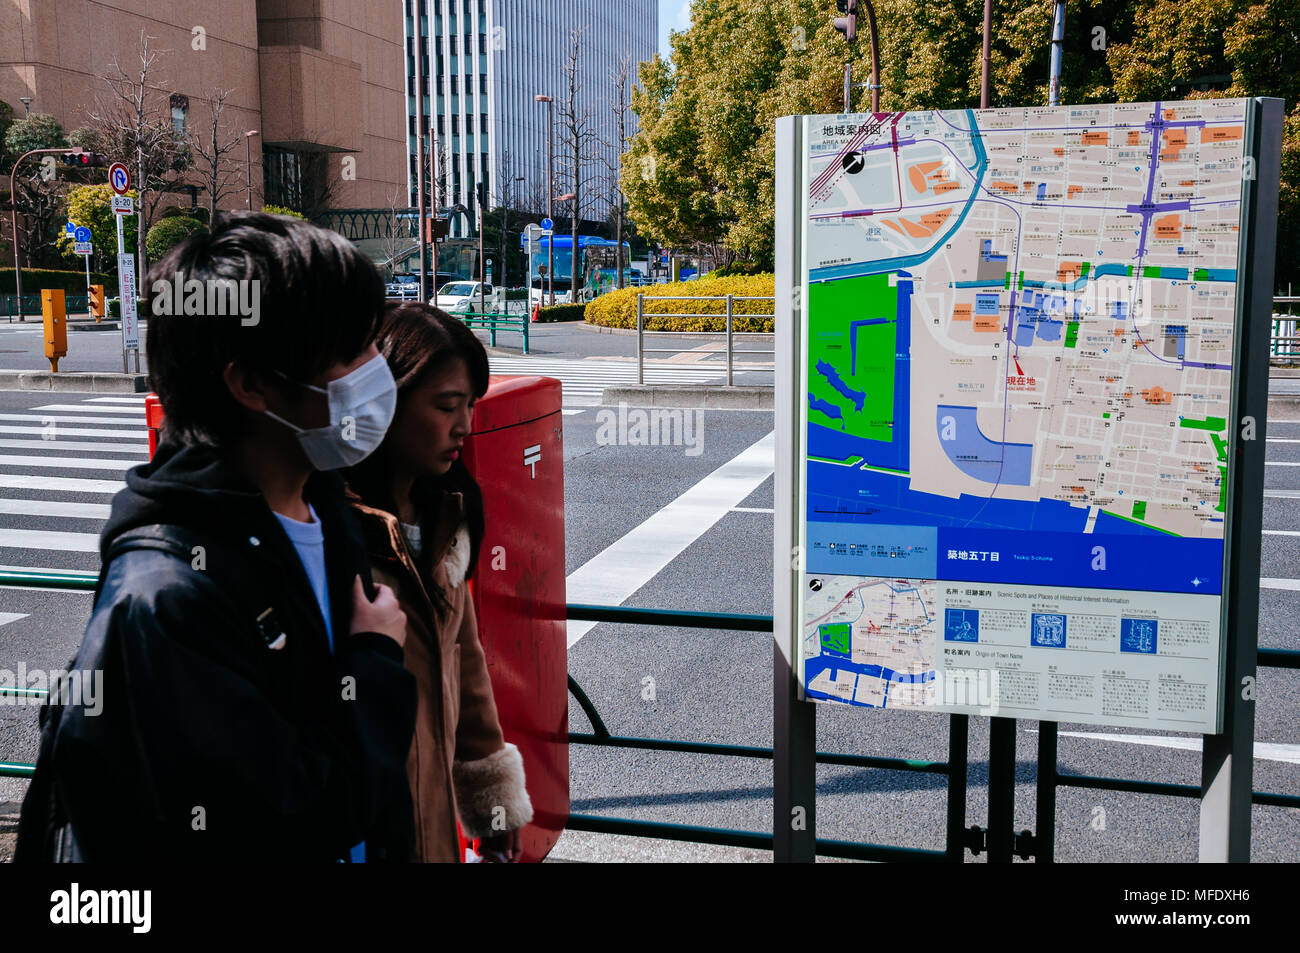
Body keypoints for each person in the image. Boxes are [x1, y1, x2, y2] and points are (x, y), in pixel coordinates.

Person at [16, 212, 417, 862]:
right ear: (251, 383)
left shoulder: (325, 505)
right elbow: (289, 816)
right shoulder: (166, 600)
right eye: (351, 351)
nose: (377, 371)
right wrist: (374, 664)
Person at [345, 302, 533, 863]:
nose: (465, 427)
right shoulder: (332, 533)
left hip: (435, 831)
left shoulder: (445, 517)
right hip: (367, 832)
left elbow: (467, 667)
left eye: (470, 405)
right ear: (382, 401)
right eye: (447, 405)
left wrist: (493, 805)